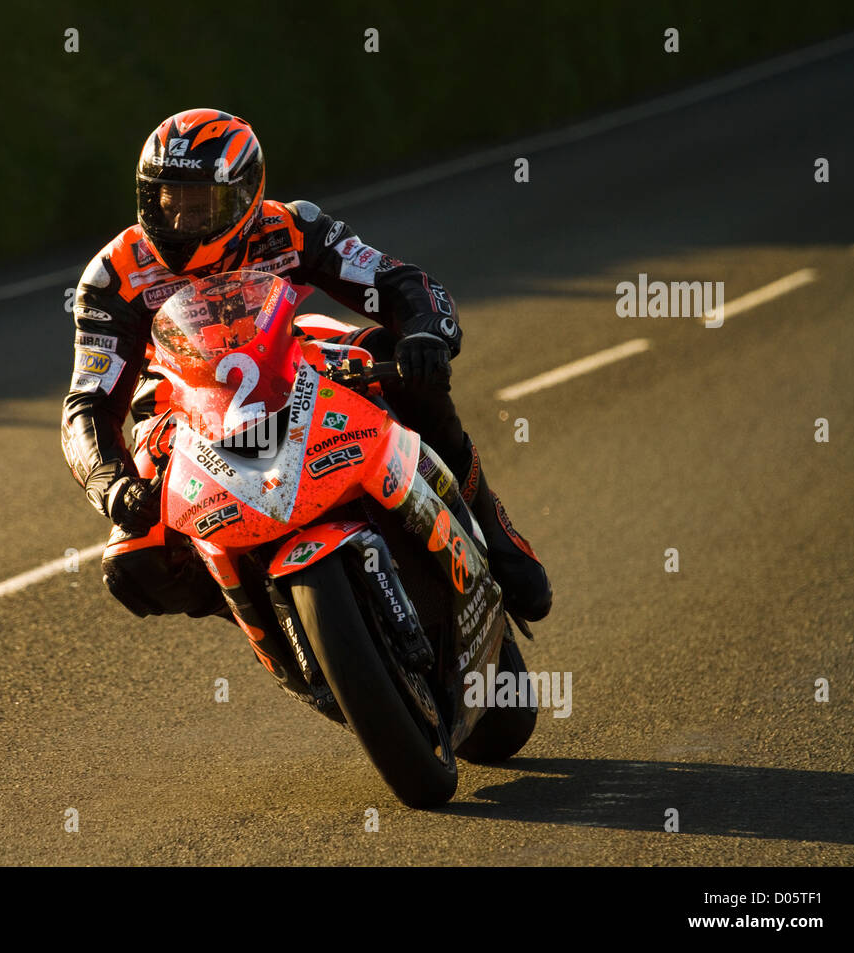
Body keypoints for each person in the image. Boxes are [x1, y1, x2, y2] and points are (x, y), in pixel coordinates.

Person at [61, 108, 552, 624]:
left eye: (200, 205)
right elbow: (88, 398)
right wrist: (109, 481)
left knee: (393, 361)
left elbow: (396, 279)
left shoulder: (291, 226)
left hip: (292, 367)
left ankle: (490, 528)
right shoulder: (114, 274)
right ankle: (274, 612)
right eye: (167, 201)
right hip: (178, 418)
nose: (181, 222)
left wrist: (426, 333)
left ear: (245, 195)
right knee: (131, 565)